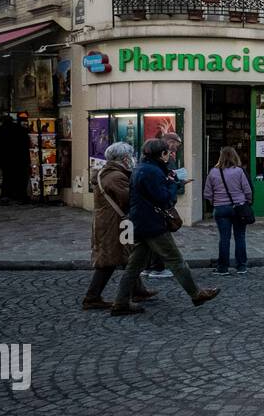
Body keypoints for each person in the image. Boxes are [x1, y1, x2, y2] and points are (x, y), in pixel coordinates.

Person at [112, 138, 219, 317]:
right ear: (162, 154)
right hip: (152, 223)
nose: (170, 155)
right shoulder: (152, 172)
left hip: (140, 222)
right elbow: (163, 198)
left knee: (135, 265)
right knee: (175, 260)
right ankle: (196, 294)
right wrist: (172, 186)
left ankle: (121, 302)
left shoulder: (141, 168)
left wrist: (169, 180)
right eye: (167, 152)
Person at [83, 143, 156, 309]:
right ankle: (92, 297)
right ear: (125, 159)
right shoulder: (116, 177)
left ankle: (138, 290)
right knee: (109, 260)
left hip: (116, 222)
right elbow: (129, 199)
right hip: (114, 223)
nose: (133, 159)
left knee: (129, 256)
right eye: (131, 156)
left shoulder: (110, 173)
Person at [204, 146, 253, 276]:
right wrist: (247, 202)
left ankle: (222, 268)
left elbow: (207, 193)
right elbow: (247, 190)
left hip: (221, 208)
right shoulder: (239, 171)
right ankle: (241, 266)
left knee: (224, 238)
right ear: (234, 156)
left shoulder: (213, 172)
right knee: (240, 237)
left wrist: (215, 203)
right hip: (238, 207)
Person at [146, 131, 188, 280]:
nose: (177, 148)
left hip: (149, 209)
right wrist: (175, 184)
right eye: (176, 144)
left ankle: (148, 267)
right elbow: (163, 189)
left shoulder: (147, 165)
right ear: (170, 142)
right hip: (159, 208)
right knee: (162, 240)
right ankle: (159, 268)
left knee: (150, 240)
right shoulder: (159, 163)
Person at [0, 115, 30, 205]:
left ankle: (6, 195)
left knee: (7, 177)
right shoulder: (20, 130)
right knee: (20, 177)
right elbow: (27, 142)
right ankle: (20, 195)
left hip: (5, 158)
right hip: (20, 157)